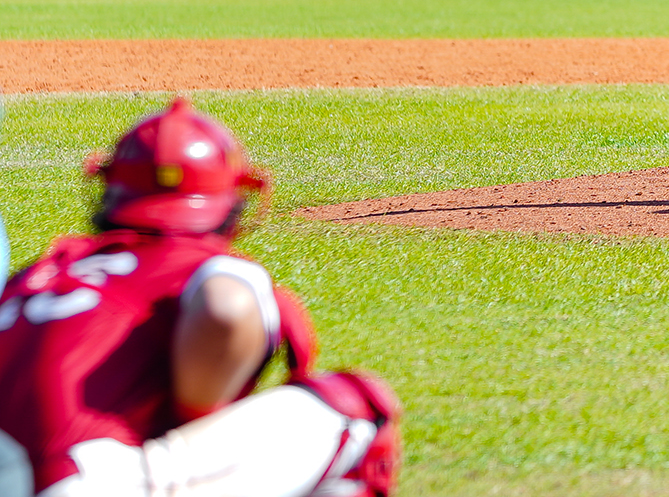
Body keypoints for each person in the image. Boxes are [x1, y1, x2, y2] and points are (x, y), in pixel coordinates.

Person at [0, 98, 401, 497]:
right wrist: (194, 420)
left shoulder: (40, 272)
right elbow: (224, 307)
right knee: (355, 409)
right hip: (79, 481)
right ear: (233, 198)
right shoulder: (205, 265)